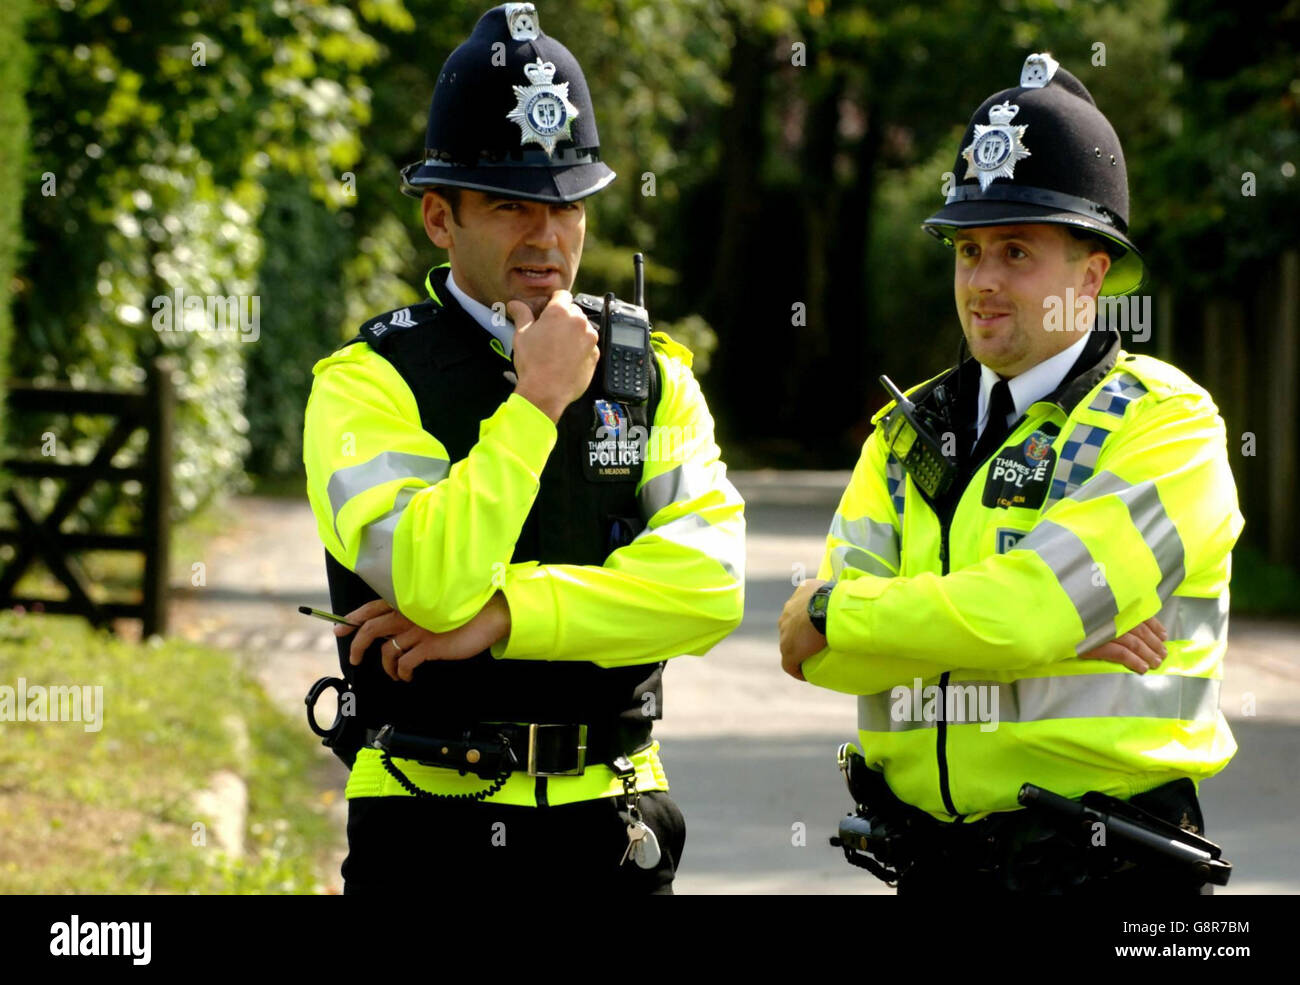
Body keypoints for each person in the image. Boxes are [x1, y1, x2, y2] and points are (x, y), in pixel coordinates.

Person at [302, 3, 744, 895]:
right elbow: (429, 580)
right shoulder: (366, 381)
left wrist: (501, 616)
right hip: (428, 816)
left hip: (615, 822)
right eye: (510, 205)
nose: (547, 239)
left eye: (567, 205)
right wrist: (537, 401)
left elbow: (710, 589)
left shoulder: (648, 375)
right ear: (438, 217)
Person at [778, 53, 1241, 895]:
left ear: (1092, 273)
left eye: (1018, 251)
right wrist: (1044, 631)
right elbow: (813, 655)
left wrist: (841, 608)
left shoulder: (1168, 425)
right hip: (927, 866)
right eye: (970, 249)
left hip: (1110, 872)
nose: (984, 282)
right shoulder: (905, 426)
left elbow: (1027, 615)